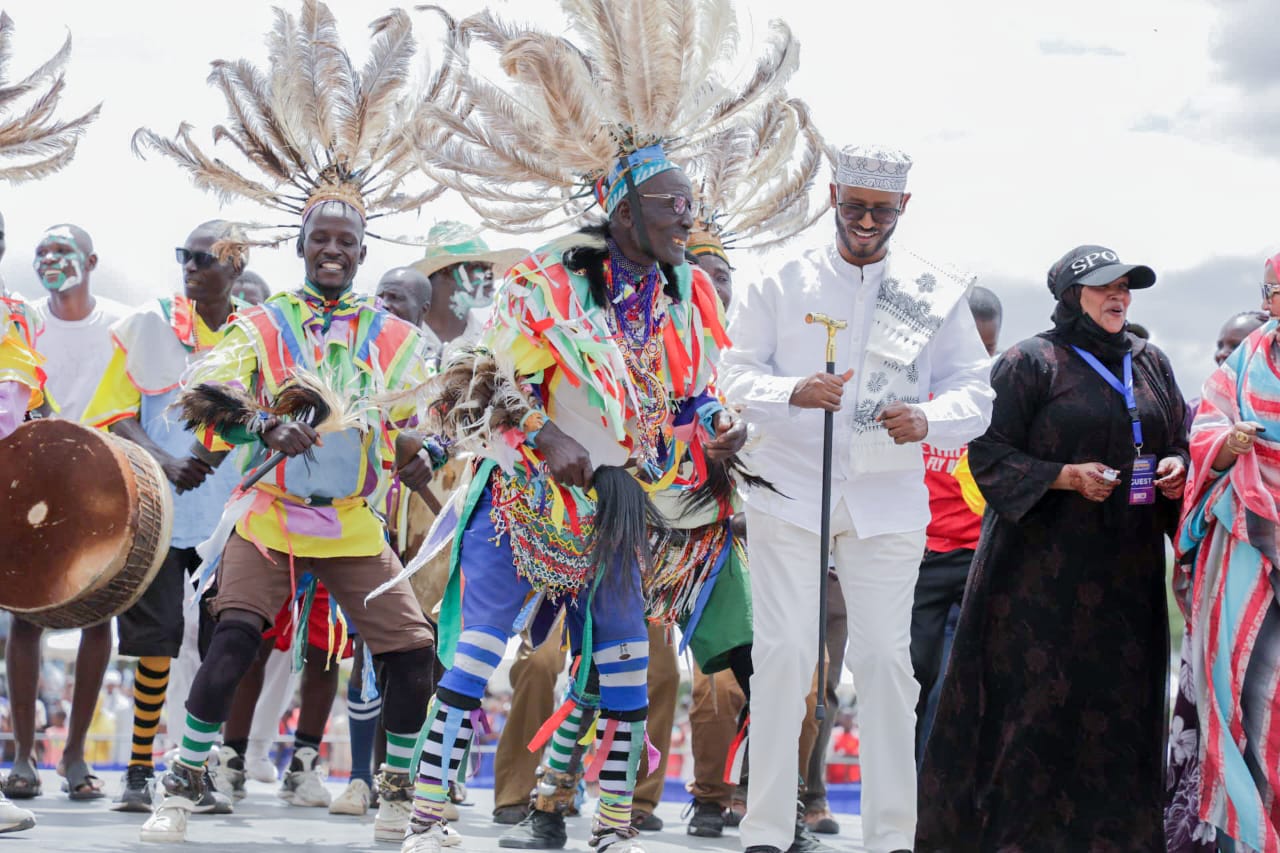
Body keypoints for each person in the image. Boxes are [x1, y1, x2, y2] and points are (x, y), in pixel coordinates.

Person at [395, 4, 795, 851]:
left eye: (690, 206)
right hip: (524, 503)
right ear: (623, 212)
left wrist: (713, 435)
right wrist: (547, 440)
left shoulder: (690, 298)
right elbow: (488, 384)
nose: (687, 219)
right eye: (671, 206)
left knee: (622, 672)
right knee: (471, 661)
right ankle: (429, 815)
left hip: (618, 510)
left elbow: (686, 404)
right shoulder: (550, 281)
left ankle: (611, 823)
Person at [131, 2, 450, 842]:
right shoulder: (263, 325)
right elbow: (204, 394)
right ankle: (181, 785)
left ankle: (395, 792)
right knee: (233, 641)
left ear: (363, 248)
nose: (334, 251)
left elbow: (443, 413)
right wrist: (261, 424)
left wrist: (425, 455)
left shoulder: (395, 338)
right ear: (303, 243)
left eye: (348, 240)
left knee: (414, 656)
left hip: (348, 523)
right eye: (322, 239)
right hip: (270, 518)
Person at [719, 145, 993, 853]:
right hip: (789, 490)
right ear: (833, 195)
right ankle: (766, 829)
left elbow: (976, 388)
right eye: (854, 206)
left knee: (883, 663)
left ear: (904, 207)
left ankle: (893, 836)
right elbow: (734, 376)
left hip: (886, 498)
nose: (865, 221)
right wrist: (792, 392)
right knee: (782, 656)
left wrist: (928, 418)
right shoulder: (779, 278)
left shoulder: (932, 290)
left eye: (880, 209)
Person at [916, 244, 1188, 850]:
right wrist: (1065, 476)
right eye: (1104, 287)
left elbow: (1179, 438)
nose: (1119, 296)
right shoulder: (1028, 362)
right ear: (1070, 296)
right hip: (1035, 582)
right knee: (1031, 718)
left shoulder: (1152, 362)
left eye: (1126, 287)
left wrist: (1173, 464)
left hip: (1126, 576)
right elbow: (986, 455)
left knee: (1118, 720)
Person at [5, 222, 127, 803]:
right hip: (31, 477)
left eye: (64, 251)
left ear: (91, 259)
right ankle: (24, 758)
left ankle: (75, 753)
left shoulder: (122, 324)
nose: (51, 260)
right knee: (27, 612)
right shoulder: (19, 317)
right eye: (42, 252)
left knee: (98, 612)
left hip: (105, 483)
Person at [1164, 252, 1280, 851]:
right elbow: (1206, 428)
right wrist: (1230, 446)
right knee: (1230, 687)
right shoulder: (1248, 358)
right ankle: (1248, 838)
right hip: (1243, 536)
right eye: (1274, 291)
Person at [909, 286, 1001, 758]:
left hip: (976, 560)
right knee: (912, 678)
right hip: (917, 559)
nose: (980, 359)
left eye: (989, 349)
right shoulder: (911, 386)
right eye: (971, 346)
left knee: (955, 685)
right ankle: (898, 798)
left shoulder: (1002, 392)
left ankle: (932, 802)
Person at [409, 223, 525, 355]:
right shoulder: (401, 337)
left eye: (490, 267)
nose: (489, 275)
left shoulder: (491, 344)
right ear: (445, 271)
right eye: (479, 266)